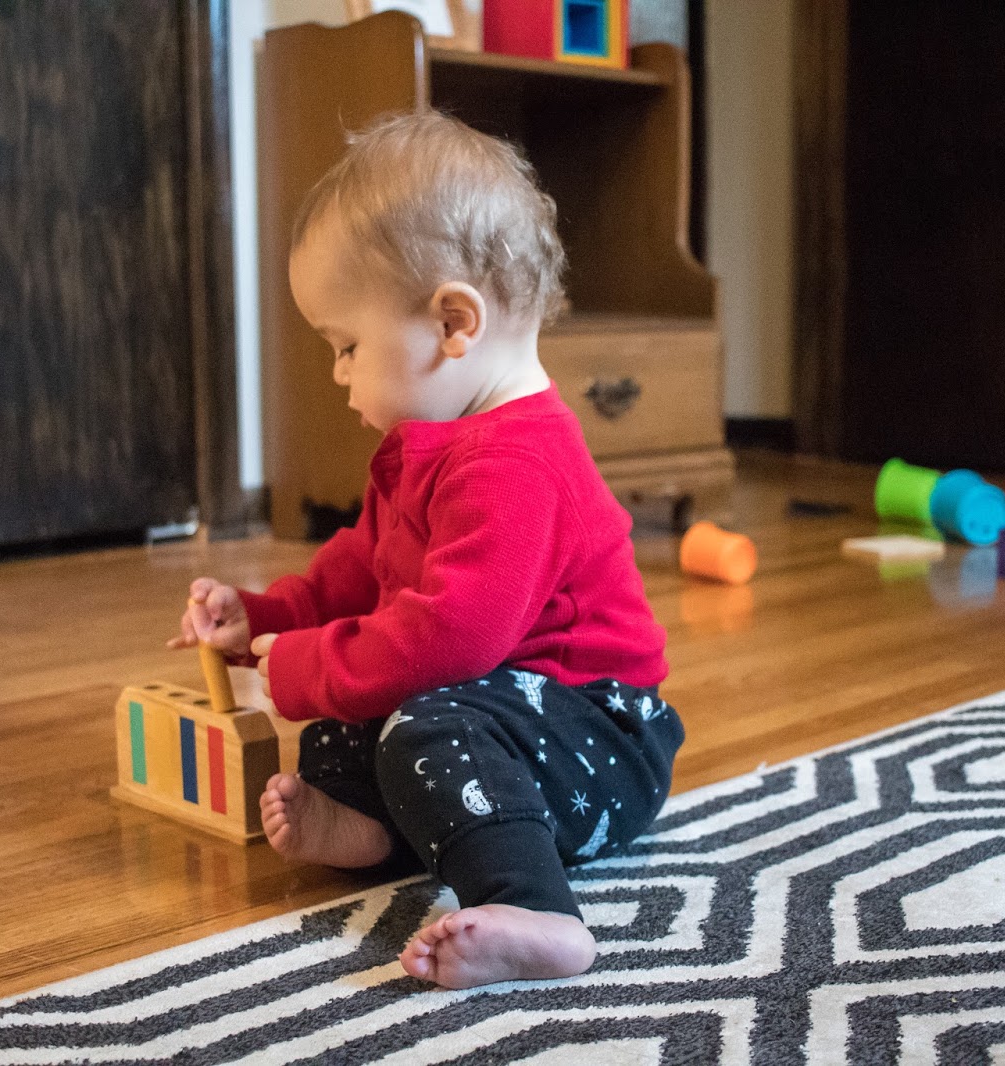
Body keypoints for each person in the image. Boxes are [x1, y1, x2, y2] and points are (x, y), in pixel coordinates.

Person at [169, 111, 682, 990]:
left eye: (347, 347)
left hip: (600, 734)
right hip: (506, 717)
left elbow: (447, 641)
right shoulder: (427, 444)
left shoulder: (516, 464)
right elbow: (360, 568)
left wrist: (293, 668)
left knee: (421, 718)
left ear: (453, 323)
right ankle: (370, 829)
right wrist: (263, 618)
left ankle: (540, 910)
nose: (337, 375)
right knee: (357, 713)